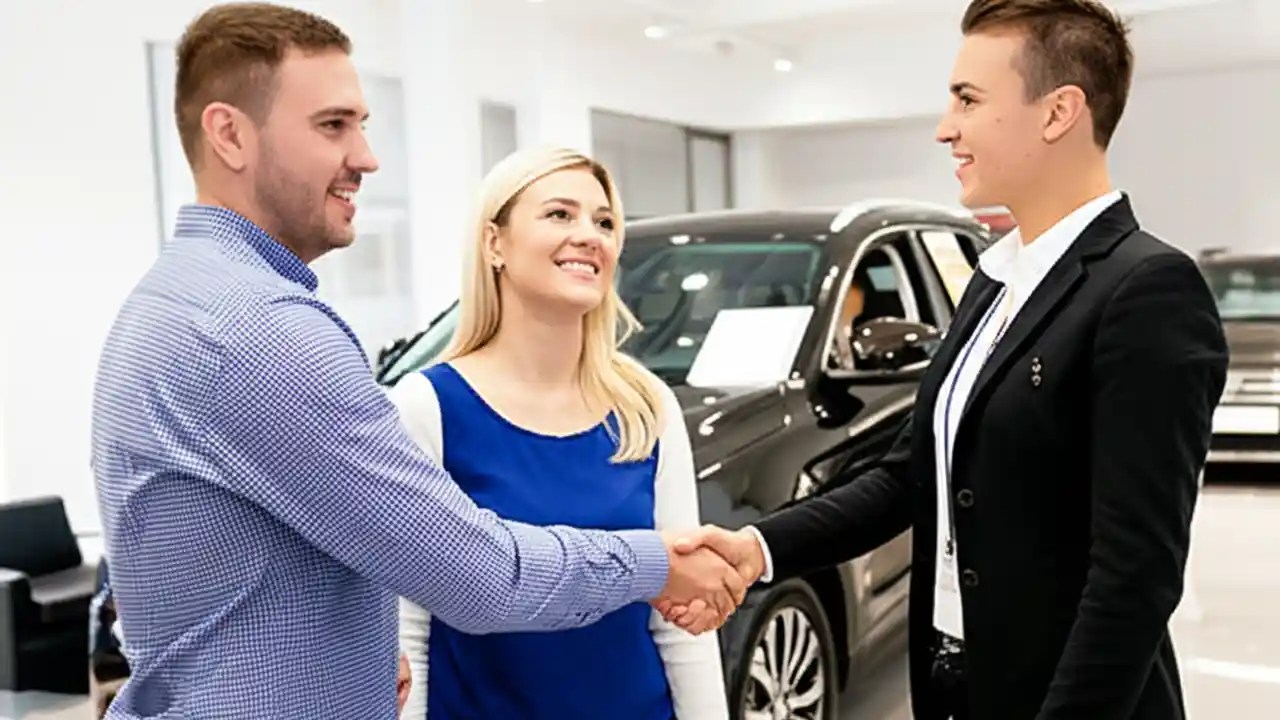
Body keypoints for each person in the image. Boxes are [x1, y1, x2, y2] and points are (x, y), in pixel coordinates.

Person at [89, 4, 744, 719]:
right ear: (229, 135)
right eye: (333, 126)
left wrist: (358, 661)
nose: (366, 157)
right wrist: (658, 562)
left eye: (362, 125)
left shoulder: (178, 300)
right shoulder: (262, 333)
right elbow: (482, 578)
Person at [663, 1, 1229, 718]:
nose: (945, 128)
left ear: (1058, 113)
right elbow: (908, 477)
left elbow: (1134, 576)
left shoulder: (1146, 290)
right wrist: (758, 548)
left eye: (968, 99)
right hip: (959, 684)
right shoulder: (994, 282)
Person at [392, 147, 730, 719]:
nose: (589, 236)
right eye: (559, 215)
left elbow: (681, 620)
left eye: (603, 222)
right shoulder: (427, 408)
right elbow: (407, 629)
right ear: (494, 242)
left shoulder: (646, 407)